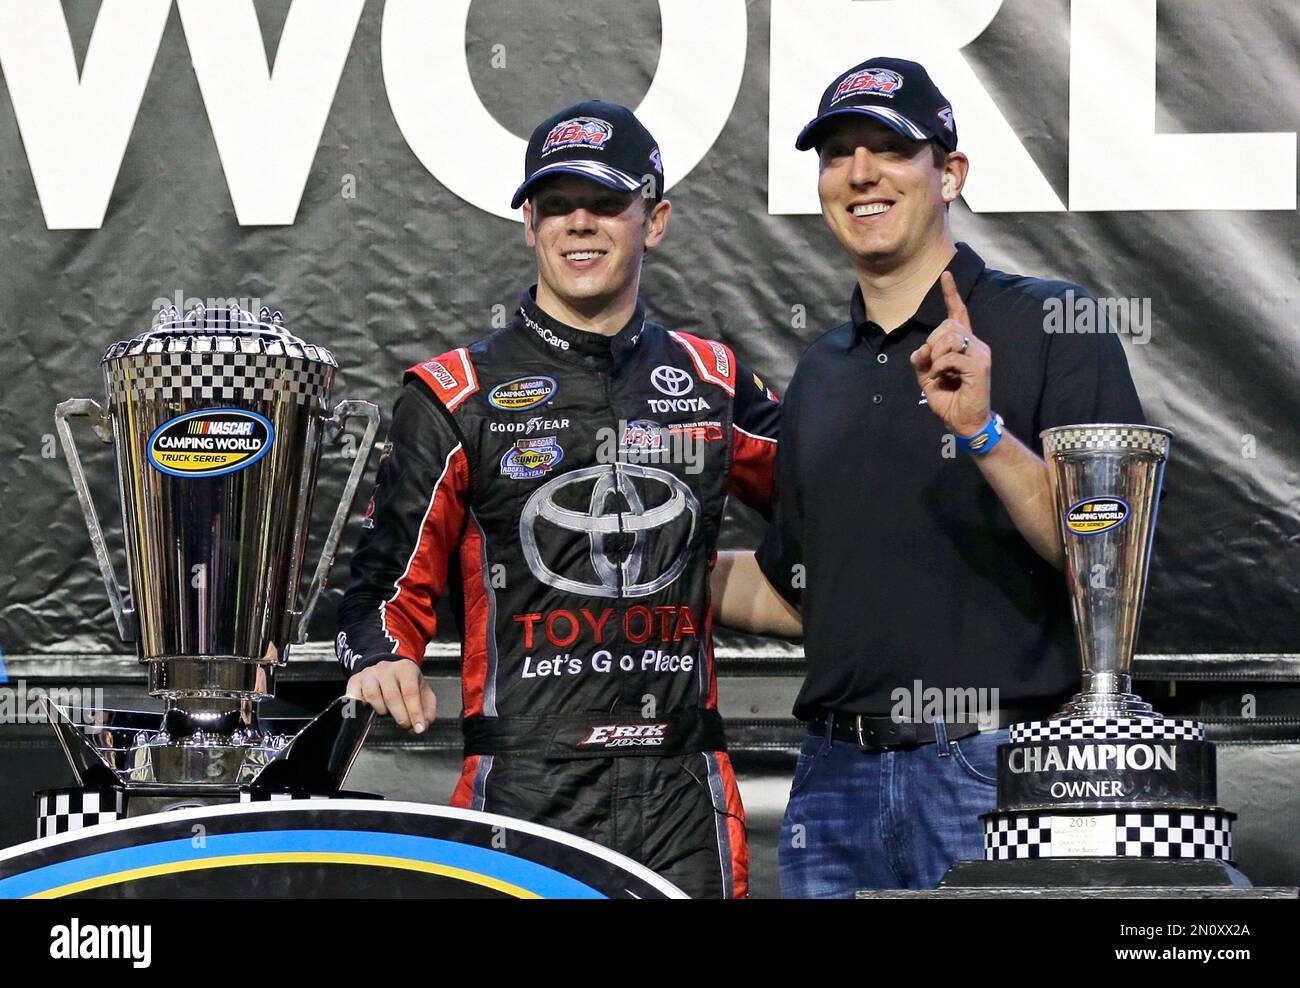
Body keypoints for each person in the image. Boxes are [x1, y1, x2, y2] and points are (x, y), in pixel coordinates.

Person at [718, 58, 1147, 895]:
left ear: (950, 173)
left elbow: (1107, 555)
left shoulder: (1054, 325)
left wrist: (983, 432)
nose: (861, 173)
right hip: (833, 781)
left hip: (995, 773)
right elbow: (795, 593)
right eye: (837, 153)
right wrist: (640, 567)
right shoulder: (821, 372)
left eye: (889, 148)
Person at [334, 100, 782, 898]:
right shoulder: (454, 393)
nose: (581, 224)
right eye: (556, 205)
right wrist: (381, 657)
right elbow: (381, 586)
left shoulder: (713, 381)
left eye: (607, 203)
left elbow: (835, 498)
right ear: (530, 226)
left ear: (656, 219)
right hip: (526, 783)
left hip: (680, 784)